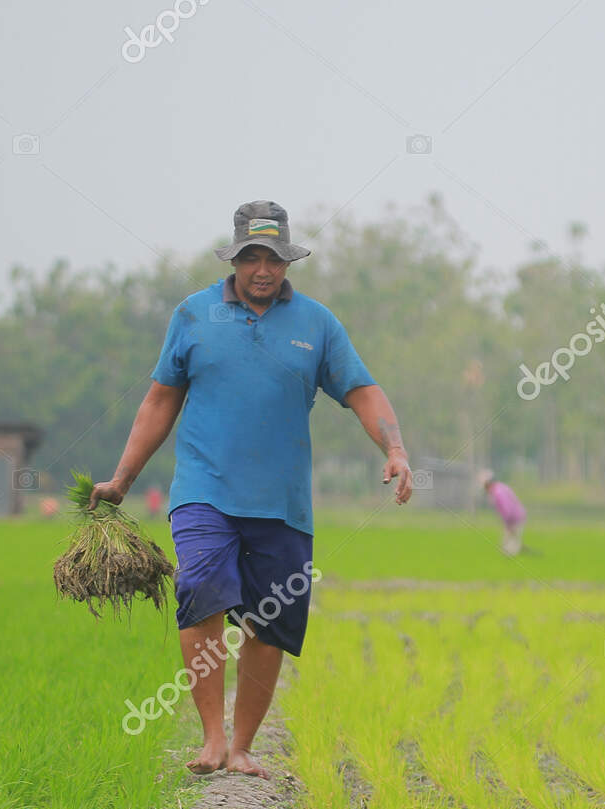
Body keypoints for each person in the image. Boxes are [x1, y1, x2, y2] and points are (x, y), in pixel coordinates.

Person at [89, 200, 413, 778]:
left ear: (288, 261)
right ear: (234, 257)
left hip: (282, 503)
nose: (262, 269)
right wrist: (122, 478)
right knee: (202, 590)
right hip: (203, 490)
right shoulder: (193, 315)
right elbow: (161, 399)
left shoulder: (317, 324)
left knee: (272, 623)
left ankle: (241, 746)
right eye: (251, 257)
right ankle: (212, 740)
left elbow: (362, 391)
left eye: (273, 259)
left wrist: (394, 448)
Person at [480, 469, 526, 556]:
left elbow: (507, 510)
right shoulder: (499, 488)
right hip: (514, 518)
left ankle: (512, 561)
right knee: (508, 543)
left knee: (509, 547)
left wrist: (508, 525)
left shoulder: (498, 492)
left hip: (515, 518)